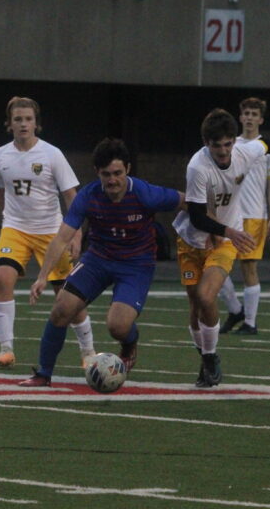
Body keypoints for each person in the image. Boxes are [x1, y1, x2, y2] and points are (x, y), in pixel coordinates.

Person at [174, 108, 270, 387]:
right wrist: (230, 230)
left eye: (228, 143)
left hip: (225, 240)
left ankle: (209, 359)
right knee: (196, 306)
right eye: (217, 145)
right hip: (192, 240)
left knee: (207, 298)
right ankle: (205, 357)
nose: (223, 150)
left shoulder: (245, 152)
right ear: (206, 143)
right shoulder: (198, 167)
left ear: (234, 141)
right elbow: (196, 216)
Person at [17, 138, 185, 387]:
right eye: (106, 174)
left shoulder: (146, 194)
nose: (112, 180)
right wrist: (42, 276)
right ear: (97, 173)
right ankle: (43, 373)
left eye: (117, 173)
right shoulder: (88, 196)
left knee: (117, 326)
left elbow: (189, 201)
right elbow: (62, 237)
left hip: (136, 266)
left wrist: (209, 232)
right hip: (98, 260)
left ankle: (129, 344)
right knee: (61, 308)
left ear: (127, 169)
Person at [0, 96, 95, 368]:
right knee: (2, 278)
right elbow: (2, 193)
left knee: (68, 296)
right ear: (9, 124)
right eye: (18, 120)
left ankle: (88, 352)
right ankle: (6, 350)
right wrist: (6, 223)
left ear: (37, 124)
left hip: (52, 232)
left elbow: (72, 196)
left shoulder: (52, 154)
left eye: (28, 119)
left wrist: (76, 234)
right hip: (15, 229)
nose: (23, 124)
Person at [218, 97, 270, 335]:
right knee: (216, 263)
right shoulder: (231, 145)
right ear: (240, 116)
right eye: (247, 113)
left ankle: (250, 323)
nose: (250, 118)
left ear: (261, 119)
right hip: (228, 214)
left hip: (255, 215)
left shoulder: (268, 148)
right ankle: (235, 309)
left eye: (255, 114)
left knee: (249, 268)